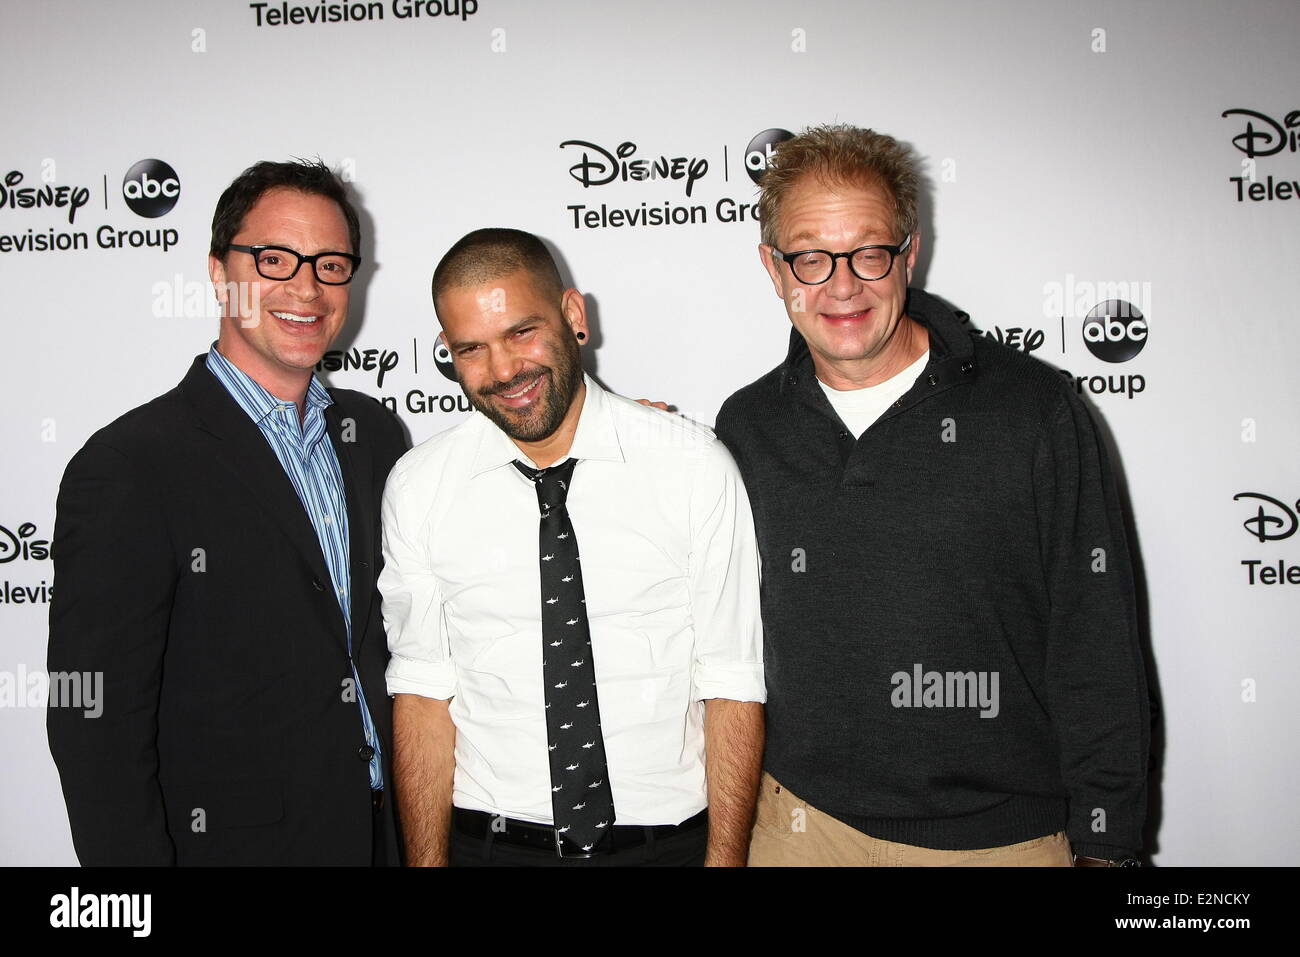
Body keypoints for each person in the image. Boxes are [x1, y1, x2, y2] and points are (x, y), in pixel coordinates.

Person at [714, 125, 1150, 867]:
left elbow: (1096, 644)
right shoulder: (746, 425)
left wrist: (1109, 846)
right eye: (811, 256)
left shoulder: (1035, 412)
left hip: (998, 841)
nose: (842, 284)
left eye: (870, 252)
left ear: (910, 251)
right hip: (797, 832)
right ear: (773, 266)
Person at [47, 159, 407, 865]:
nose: (306, 287)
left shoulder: (372, 435)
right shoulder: (131, 464)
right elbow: (93, 727)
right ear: (218, 272)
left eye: (331, 264)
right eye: (275, 259)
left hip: (379, 839)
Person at [380, 228, 765, 866]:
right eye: (471, 348)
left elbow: (732, 684)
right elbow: (422, 697)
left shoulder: (691, 467)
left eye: (522, 332)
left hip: (666, 847)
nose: (503, 371)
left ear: (573, 316)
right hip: (492, 847)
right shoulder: (421, 487)